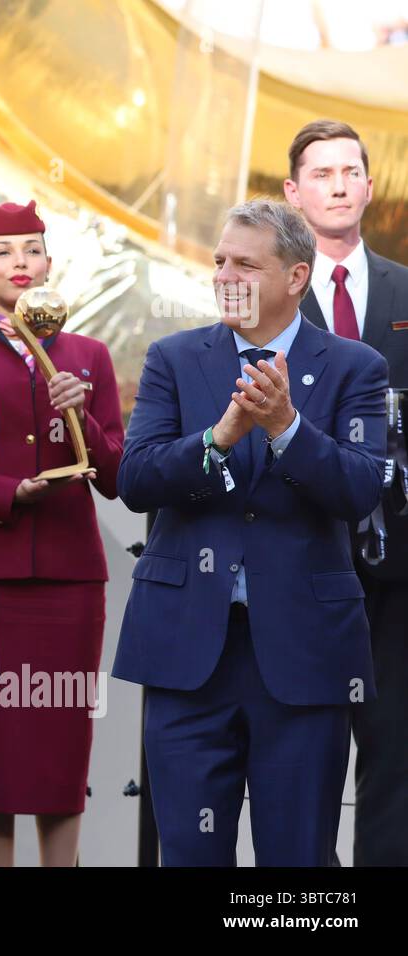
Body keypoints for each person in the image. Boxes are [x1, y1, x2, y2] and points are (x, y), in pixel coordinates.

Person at [114, 198, 387, 866]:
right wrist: (216, 439)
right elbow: (137, 478)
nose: (225, 276)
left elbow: (358, 489)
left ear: (296, 277)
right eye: (219, 262)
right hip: (188, 653)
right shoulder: (174, 359)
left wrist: (287, 427)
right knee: (187, 851)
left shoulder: (356, 366)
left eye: (245, 264)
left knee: (297, 859)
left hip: (303, 655)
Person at [0, 200, 125, 866]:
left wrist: (82, 418)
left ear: (50, 265)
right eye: (4, 252)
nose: (20, 262)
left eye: (31, 249)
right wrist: (7, 493)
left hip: (68, 580)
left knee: (61, 752)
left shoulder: (89, 355)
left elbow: (116, 474)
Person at [283, 119, 408, 867]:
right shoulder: (264, 298)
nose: (336, 183)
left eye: (349, 170)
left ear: (368, 185)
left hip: (399, 566)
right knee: (301, 755)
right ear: (294, 192)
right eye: (320, 172)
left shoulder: (406, 290)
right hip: (298, 558)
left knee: (395, 753)